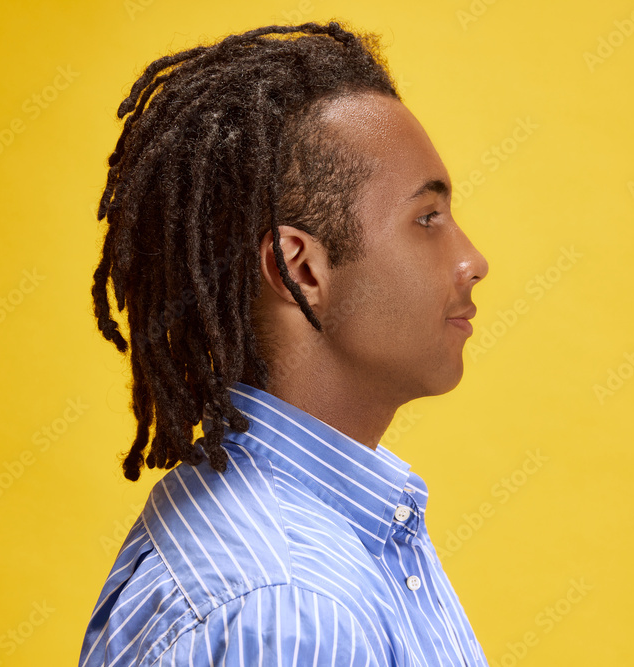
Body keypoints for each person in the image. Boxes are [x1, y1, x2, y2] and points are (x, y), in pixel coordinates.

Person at [79, 20, 490, 666]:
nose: (473, 260)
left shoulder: (343, 535)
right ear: (302, 270)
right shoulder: (291, 609)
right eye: (427, 219)